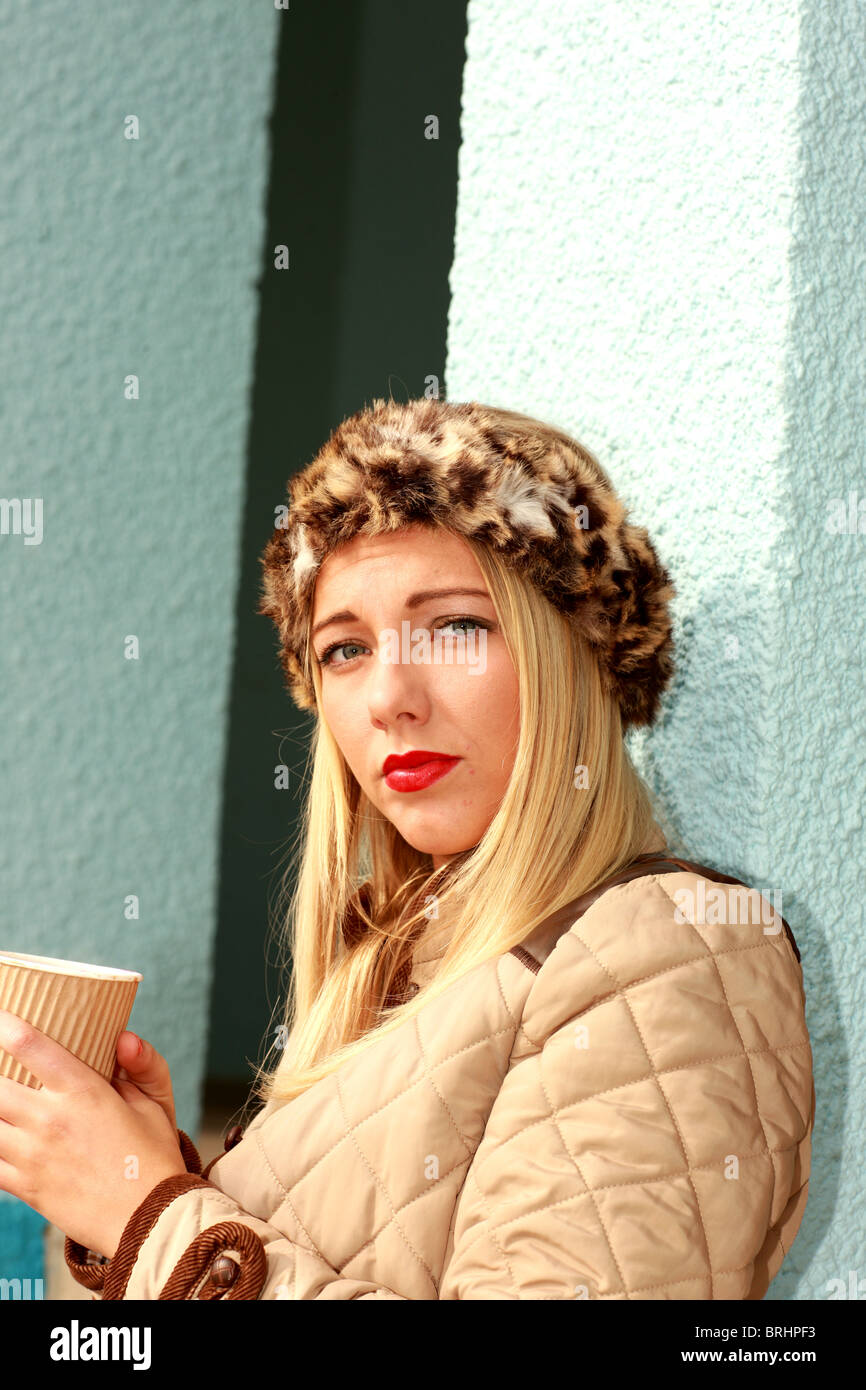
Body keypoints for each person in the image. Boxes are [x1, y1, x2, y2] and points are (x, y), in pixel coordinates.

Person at [7, 395, 812, 1299]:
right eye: (345, 649)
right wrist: (156, 1177)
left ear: (574, 656)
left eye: (458, 626)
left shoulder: (674, 950)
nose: (391, 695)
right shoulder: (399, 954)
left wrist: (151, 1218)